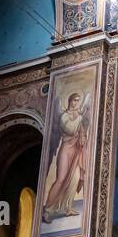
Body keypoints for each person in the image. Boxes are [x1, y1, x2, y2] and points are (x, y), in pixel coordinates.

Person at [42, 93, 89, 222]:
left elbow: (82, 134)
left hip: (76, 151)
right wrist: (80, 118)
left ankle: (67, 207)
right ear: (70, 100)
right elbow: (70, 129)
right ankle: (47, 210)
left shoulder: (77, 116)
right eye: (74, 100)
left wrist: (83, 136)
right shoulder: (64, 116)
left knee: (74, 178)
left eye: (78, 101)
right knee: (61, 179)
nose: (76, 103)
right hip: (65, 150)